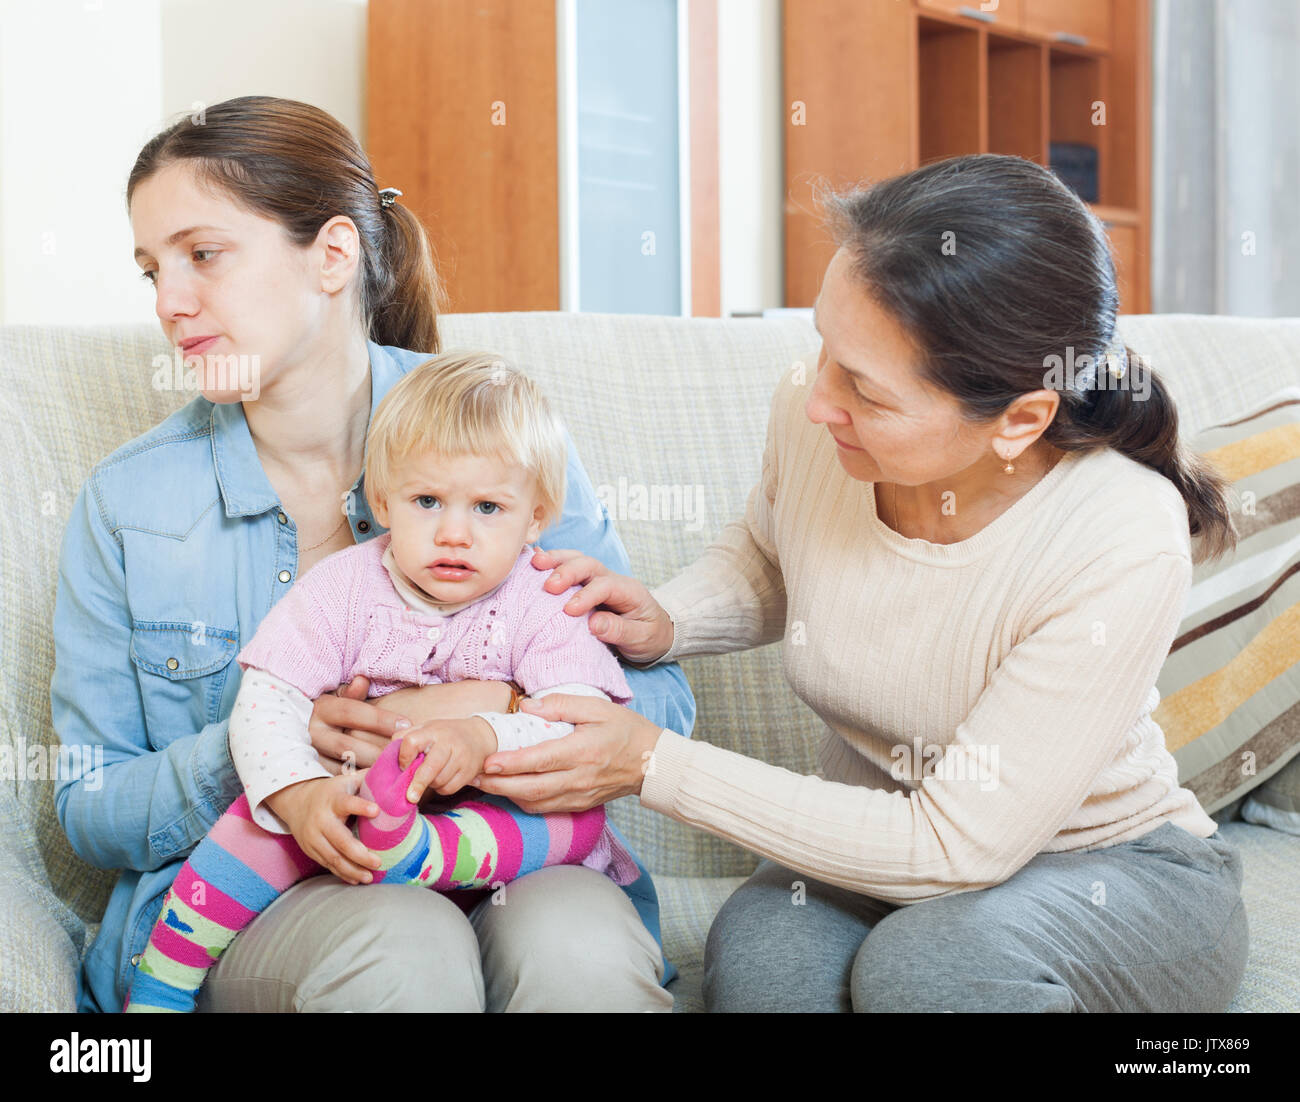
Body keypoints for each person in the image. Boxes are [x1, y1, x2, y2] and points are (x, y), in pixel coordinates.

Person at [477, 154, 1251, 1013]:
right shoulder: (818, 420)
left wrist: (652, 763)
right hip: (865, 848)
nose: (818, 400)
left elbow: (955, 848)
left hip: (1109, 869)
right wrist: (668, 619)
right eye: (823, 348)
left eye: (867, 392)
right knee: (768, 973)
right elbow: (777, 554)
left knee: (933, 967)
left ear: (1021, 419)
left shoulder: (1120, 532)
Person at [52, 96, 693, 1014]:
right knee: (404, 938)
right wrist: (265, 751)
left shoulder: (495, 435)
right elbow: (87, 808)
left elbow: (664, 705)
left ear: (334, 255)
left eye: (203, 254)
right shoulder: (130, 503)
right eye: (152, 269)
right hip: (262, 893)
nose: (169, 303)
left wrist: (493, 715)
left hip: (513, 854)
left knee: (580, 952)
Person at [123, 352, 646, 1013]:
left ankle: (428, 852)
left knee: (578, 818)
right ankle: (157, 992)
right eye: (427, 501)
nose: (454, 533)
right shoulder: (344, 588)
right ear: (382, 500)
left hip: (499, 825)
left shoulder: (546, 598)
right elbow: (268, 697)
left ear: (536, 516)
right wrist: (300, 793)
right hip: (363, 806)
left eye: (488, 507)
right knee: (250, 824)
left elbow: (582, 721)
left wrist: (484, 735)